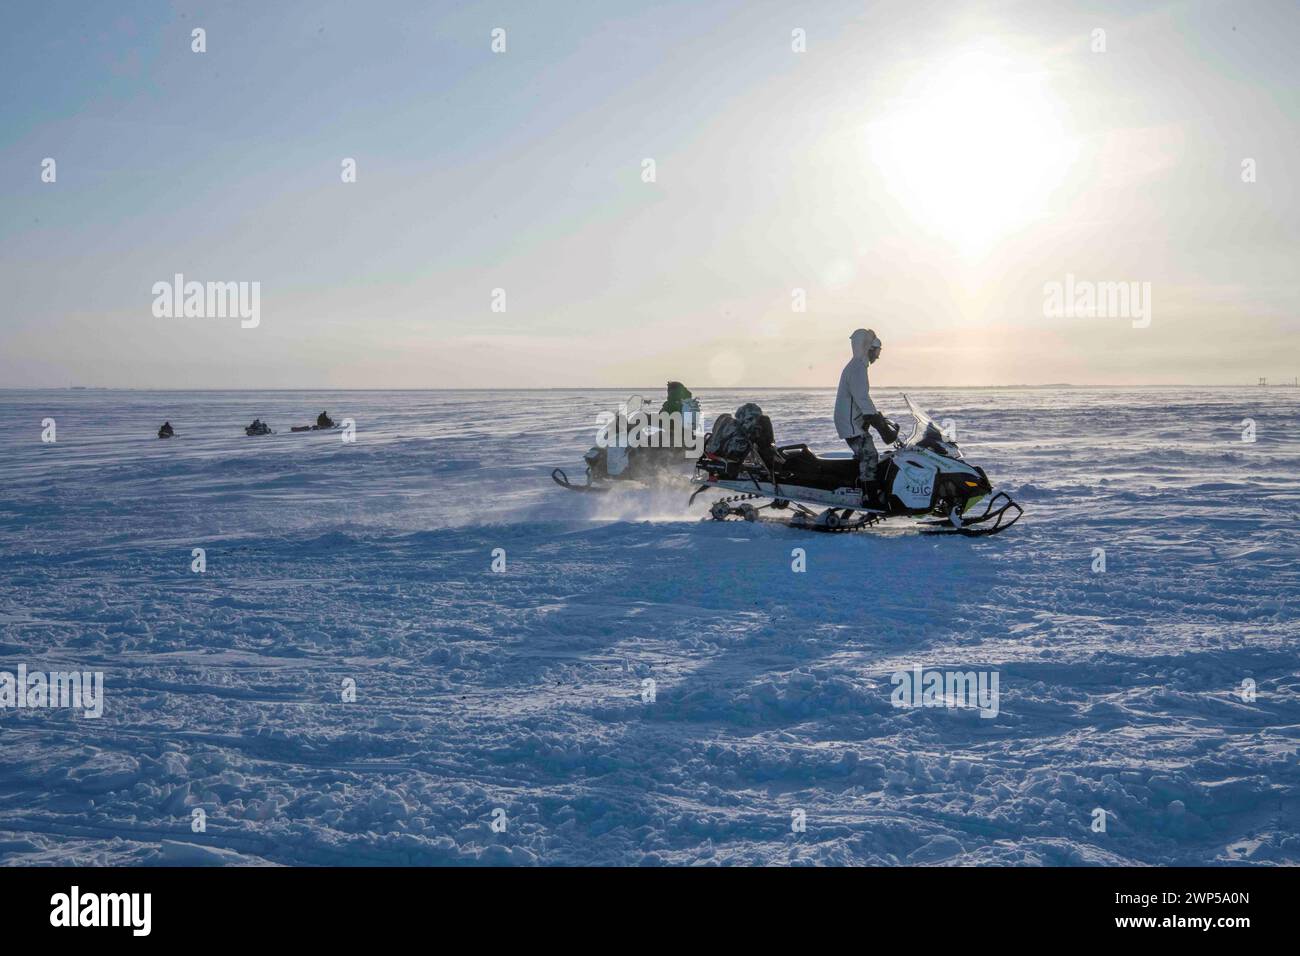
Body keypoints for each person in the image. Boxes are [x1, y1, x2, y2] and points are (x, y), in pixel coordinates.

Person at [834, 328, 898, 498]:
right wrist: (879, 425)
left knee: (864, 456)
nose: (878, 355)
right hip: (850, 424)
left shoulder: (858, 366)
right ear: (870, 349)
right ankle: (870, 497)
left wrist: (877, 418)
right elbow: (862, 398)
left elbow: (863, 399)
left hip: (852, 422)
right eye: (878, 351)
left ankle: (858, 489)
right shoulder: (857, 368)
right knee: (870, 456)